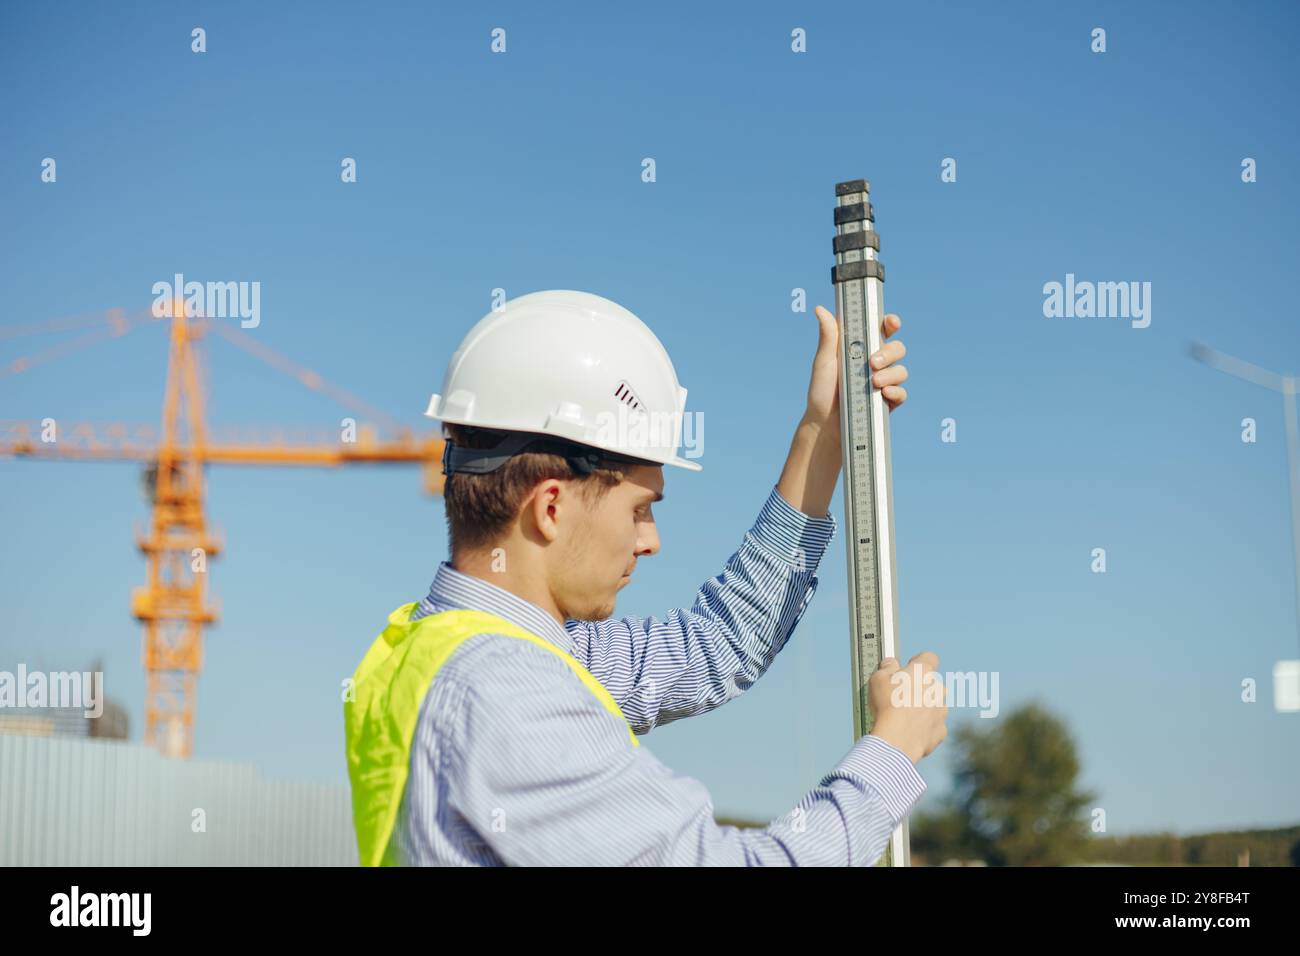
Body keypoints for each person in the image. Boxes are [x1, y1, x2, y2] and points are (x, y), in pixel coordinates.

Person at [343, 289, 947, 866]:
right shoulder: (506, 694)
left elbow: (715, 646)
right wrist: (893, 752)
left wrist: (826, 433)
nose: (651, 539)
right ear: (550, 507)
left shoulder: (459, 647)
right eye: (639, 509)